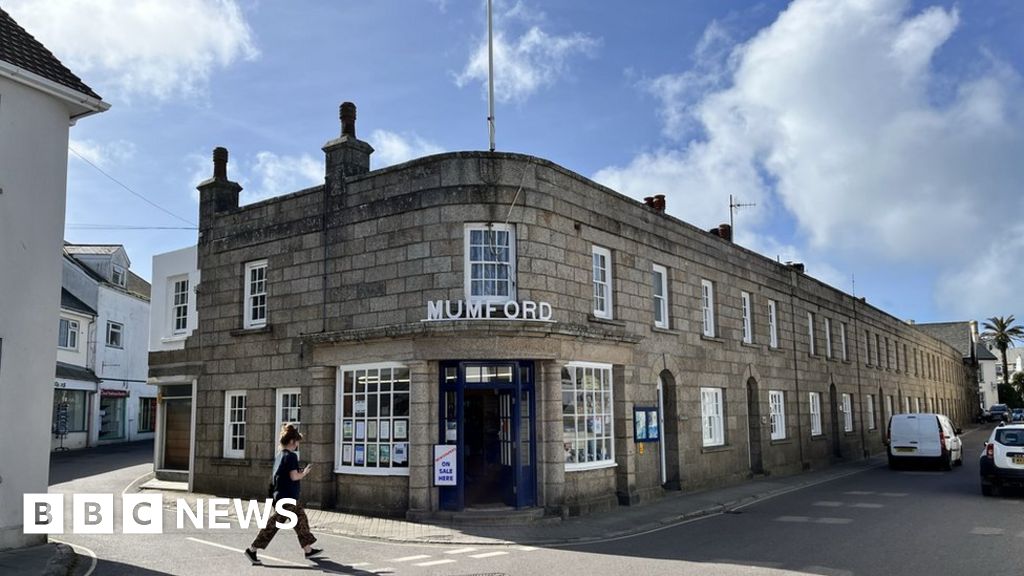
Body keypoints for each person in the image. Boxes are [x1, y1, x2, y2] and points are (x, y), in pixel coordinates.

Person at [244, 424, 322, 564]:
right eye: (297, 441)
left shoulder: (280, 455)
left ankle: (308, 550)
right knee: (273, 525)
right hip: (287, 499)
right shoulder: (291, 456)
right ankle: (252, 549)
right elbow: (293, 477)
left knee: (300, 520)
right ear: (292, 441)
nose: (298, 444)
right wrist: (304, 473)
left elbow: (278, 476)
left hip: (281, 496)